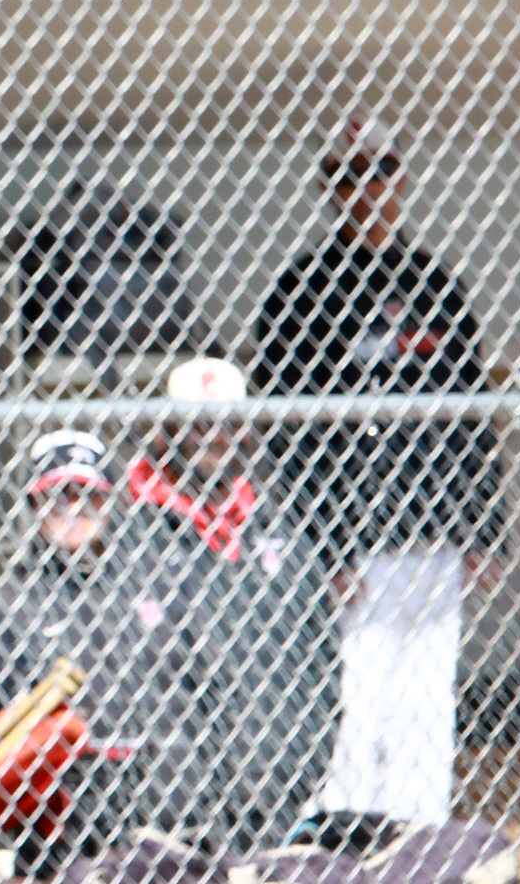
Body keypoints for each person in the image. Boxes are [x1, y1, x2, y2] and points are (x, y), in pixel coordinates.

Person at [252, 113, 506, 826]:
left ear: (402, 178)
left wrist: (486, 528)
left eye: (380, 170)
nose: (366, 188)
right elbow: (287, 432)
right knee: (353, 710)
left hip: (432, 527)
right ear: (326, 188)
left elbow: (470, 411)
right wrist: (321, 544)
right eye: (347, 175)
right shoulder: (300, 292)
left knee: (425, 708)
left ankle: (419, 848)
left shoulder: (436, 284)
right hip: (353, 534)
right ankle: (347, 851)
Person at [0, 430, 258, 860]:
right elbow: (0, 724)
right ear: (34, 507)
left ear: (108, 502)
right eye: (55, 497)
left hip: (179, 819)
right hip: (74, 832)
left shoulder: (162, 577)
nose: (72, 509)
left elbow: (219, 690)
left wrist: (238, 798)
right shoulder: (14, 601)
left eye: (85, 495)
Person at [123, 357, 339, 851]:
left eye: (228, 423)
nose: (214, 438)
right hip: (171, 822)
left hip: (277, 800)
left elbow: (322, 659)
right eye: (198, 425)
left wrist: (301, 765)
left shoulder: (277, 528)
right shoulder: (130, 536)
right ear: (165, 432)